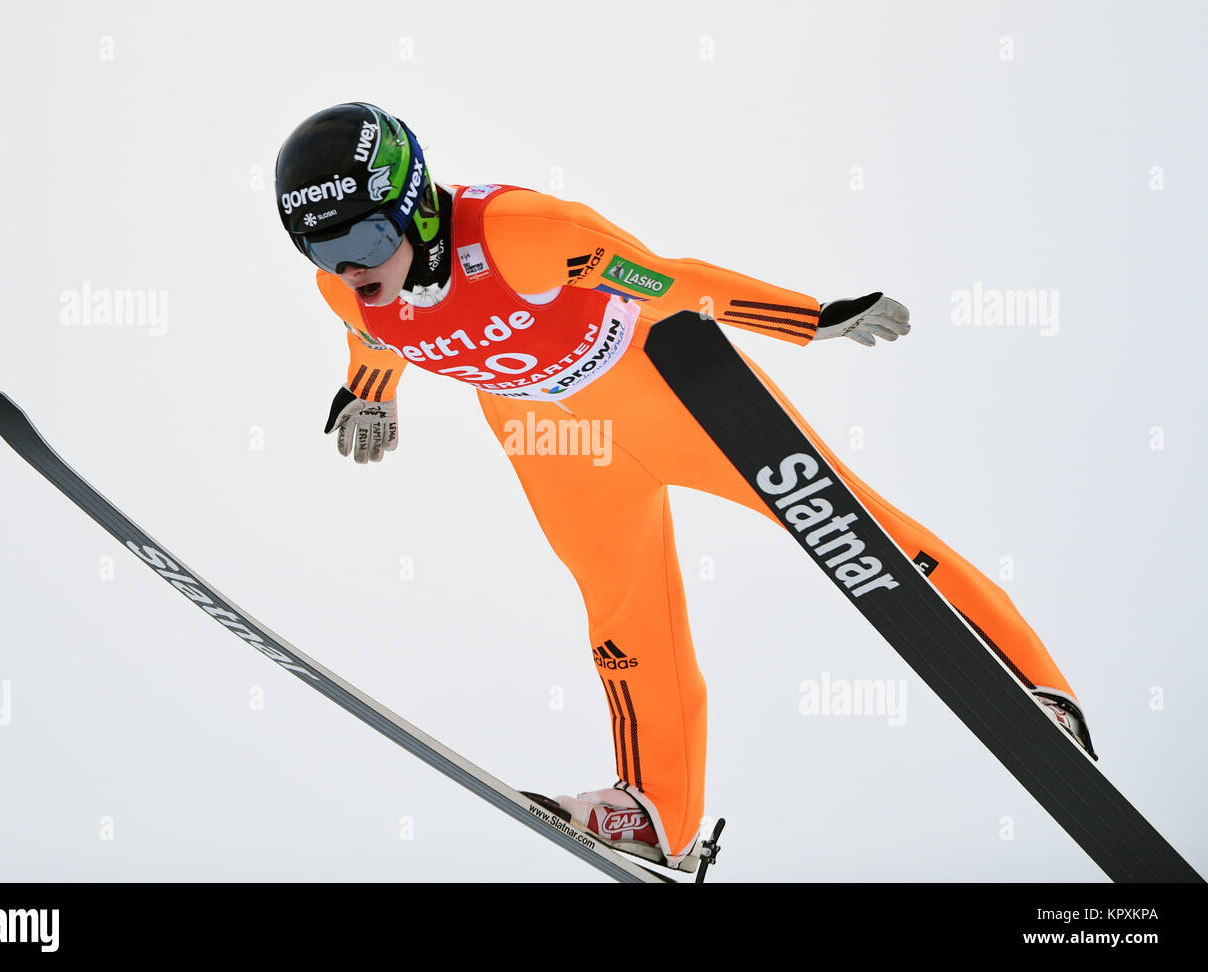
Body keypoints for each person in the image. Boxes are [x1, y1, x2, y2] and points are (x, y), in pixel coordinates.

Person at [274, 102, 1096, 872]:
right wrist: (368, 395)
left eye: (368, 239)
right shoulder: (344, 285)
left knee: (844, 523)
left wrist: (810, 318)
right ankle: (656, 812)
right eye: (321, 251)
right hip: (553, 443)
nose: (351, 269)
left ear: (415, 205)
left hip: (660, 394)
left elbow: (673, 280)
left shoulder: (527, 233)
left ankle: (1030, 684)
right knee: (623, 615)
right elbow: (374, 331)